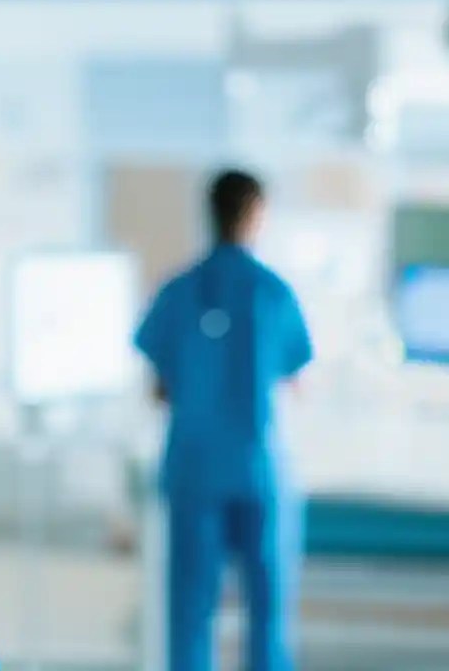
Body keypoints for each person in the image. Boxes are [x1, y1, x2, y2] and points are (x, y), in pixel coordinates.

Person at [133, 169, 313, 671]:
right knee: (268, 612)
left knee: (191, 611)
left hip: (195, 469)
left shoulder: (176, 292)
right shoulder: (273, 293)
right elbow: (296, 379)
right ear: (256, 214)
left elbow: (159, 389)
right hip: (258, 472)